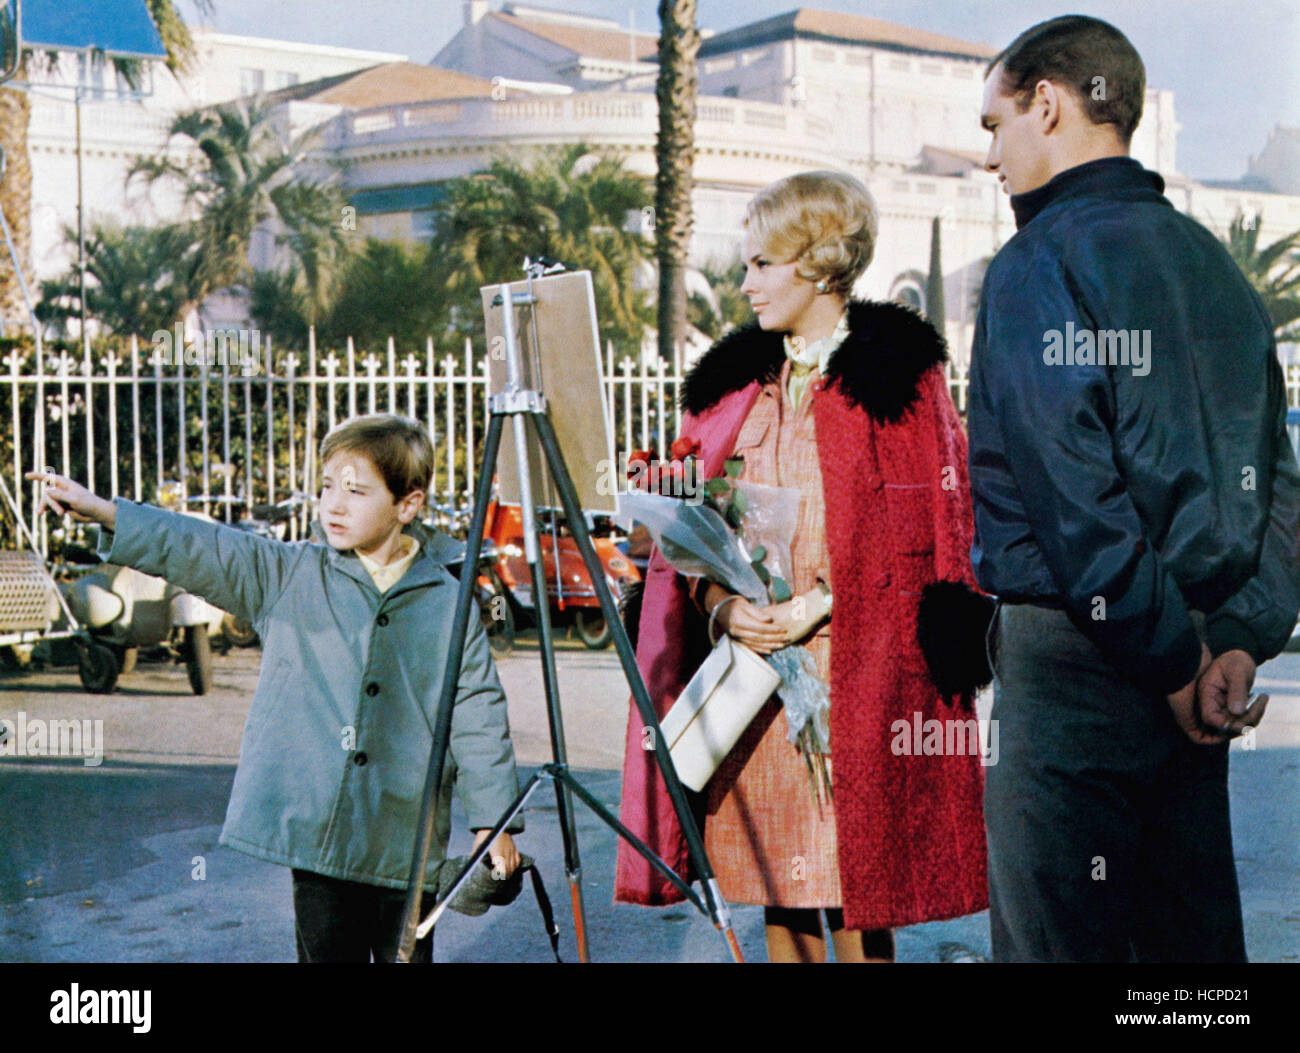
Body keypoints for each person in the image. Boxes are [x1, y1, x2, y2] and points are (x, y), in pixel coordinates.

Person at [968, 15, 1300, 962]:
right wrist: (1233, 639)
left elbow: (1073, 496)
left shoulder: (1038, 263)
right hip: (1193, 662)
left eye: (995, 125)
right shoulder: (1217, 267)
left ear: (1048, 103)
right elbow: (1281, 485)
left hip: (1084, 663)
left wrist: (1173, 661)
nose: (989, 155)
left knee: (1061, 946)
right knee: (1187, 970)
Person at [616, 170, 992, 962]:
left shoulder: (902, 381)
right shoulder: (732, 390)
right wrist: (721, 604)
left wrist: (819, 605)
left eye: (762, 265)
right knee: (778, 898)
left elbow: (935, 533)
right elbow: (690, 537)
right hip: (752, 686)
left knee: (858, 899)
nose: (744, 283)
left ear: (820, 265)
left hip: (861, 676)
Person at [31, 413, 523, 963]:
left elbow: (477, 710)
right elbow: (200, 545)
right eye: (327, 486)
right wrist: (104, 511)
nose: (333, 504)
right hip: (316, 832)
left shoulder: (447, 603)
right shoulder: (289, 572)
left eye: (356, 491)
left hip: (404, 835)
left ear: (407, 505)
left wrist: (493, 822)